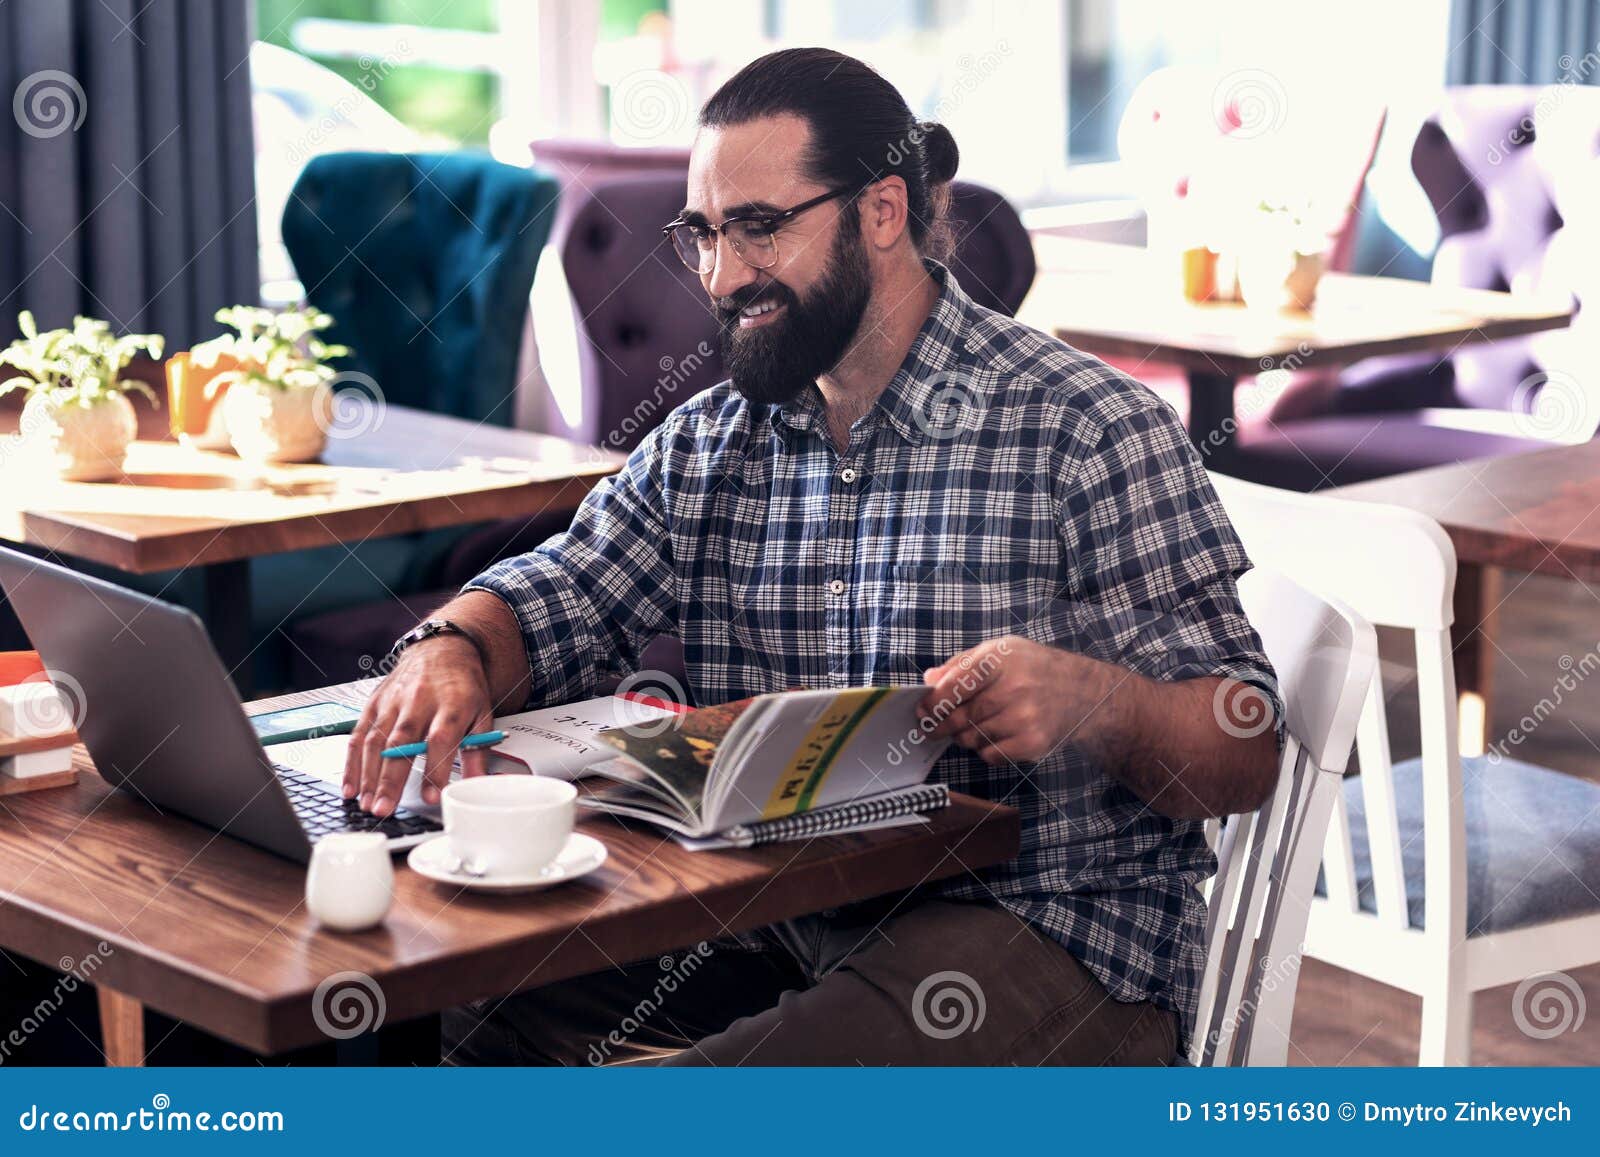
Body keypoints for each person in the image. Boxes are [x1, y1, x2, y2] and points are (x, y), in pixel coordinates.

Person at [344, 47, 1281, 1066]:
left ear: (882, 211)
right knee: (478, 1001)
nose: (720, 272)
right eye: (701, 233)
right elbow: (570, 585)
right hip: (784, 912)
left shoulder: (1085, 428)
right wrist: (453, 646)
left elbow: (1245, 747)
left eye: (758, 227)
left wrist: (1101, 700)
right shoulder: (717, 435)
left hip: (1050, 930)